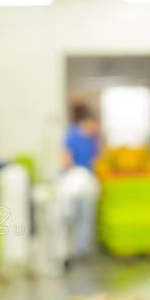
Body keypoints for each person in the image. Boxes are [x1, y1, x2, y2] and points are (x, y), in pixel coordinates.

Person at [58, 103, 101, 261]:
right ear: (87, 122)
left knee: (87, 216)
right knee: (70, 215)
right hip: (73, 180)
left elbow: (96, 159)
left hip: (87, 181)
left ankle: (81, 250)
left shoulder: (93, 139)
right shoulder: (72, 135)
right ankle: (67, 250)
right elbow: (65, 158)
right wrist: (73, 174)